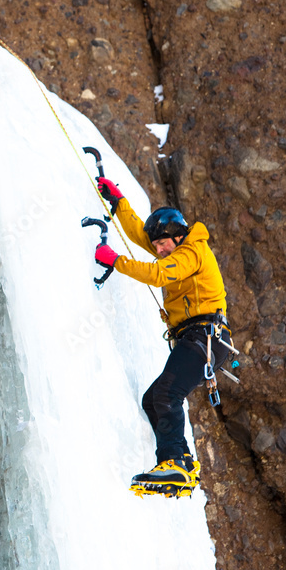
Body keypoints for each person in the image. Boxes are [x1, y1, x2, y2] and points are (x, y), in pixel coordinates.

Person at [92, 176, 232, 496]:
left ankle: (174, 465)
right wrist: (118, 203)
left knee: (167, 394)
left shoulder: (191, 252)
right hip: (195, 339)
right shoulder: (172, 248)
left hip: (205, 337)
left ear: (178, 236)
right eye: (156, 246)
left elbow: (156, 275)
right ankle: (179, 460)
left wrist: (116, 261)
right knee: (153, 401)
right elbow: (139, 233)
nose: (158, 249)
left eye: (163, 243)